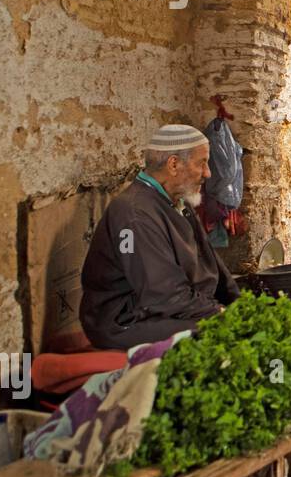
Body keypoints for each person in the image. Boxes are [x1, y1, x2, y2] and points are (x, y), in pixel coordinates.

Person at [79, 124, 240, 349]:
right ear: (174, 164)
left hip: (166, 307)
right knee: (224, 336)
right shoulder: (134, 214)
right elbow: (162, 294)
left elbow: (211, 264)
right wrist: (220, 314)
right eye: (202, 163)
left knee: (241, 325)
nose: (208, 173)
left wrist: (239, 305)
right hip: (127, 320)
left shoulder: (177, 202)